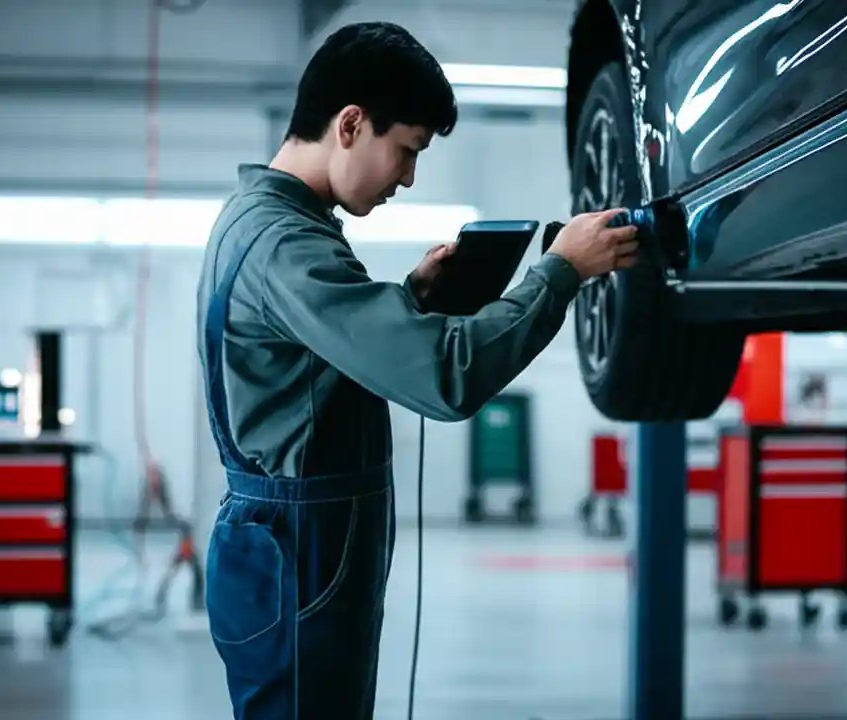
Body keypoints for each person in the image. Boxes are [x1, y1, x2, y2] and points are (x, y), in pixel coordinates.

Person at [195, 21, 639, 720]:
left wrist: (408, 301)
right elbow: (443, 375)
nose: (407, 176)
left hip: (290, 543)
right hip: (299, 549)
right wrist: (561, 272)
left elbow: (309, 364)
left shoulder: (264, 220)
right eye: (405, 150)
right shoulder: (287, 245)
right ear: (350, 124)